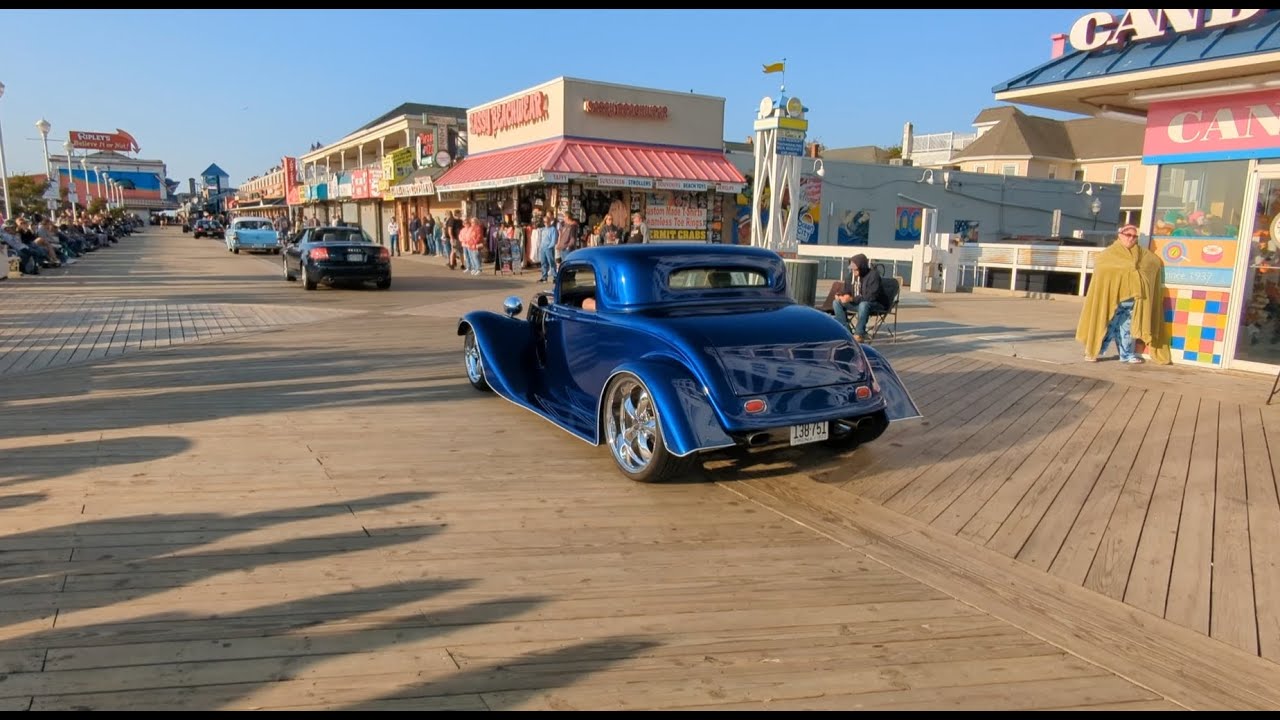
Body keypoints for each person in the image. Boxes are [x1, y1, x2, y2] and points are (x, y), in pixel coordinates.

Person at [1077, 224, 1171, 364]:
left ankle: (1125, 355)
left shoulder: (1141, 254)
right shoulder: (1109, 254)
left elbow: (1154, 263)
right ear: (1120, 235)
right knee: (1106, 326)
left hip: (1133, 301)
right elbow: (1103, 269)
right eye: (1128, 235)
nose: (1131, 239)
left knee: (1127, 329)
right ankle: (1092, 352)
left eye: (1134, 236)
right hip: (1112, 300)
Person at [833, 254, 888, 342]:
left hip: (874, 304)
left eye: (856, 268)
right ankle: (846, 331)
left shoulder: (873, 276)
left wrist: (851, 299)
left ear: (862, 267)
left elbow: (871, 297)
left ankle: (859, 334)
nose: (853, 271)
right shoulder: (851, 276)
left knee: (864, 305)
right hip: (857, 303)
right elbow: (846, 290)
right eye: (852, 268)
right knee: (836, 303)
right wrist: (840, 295)